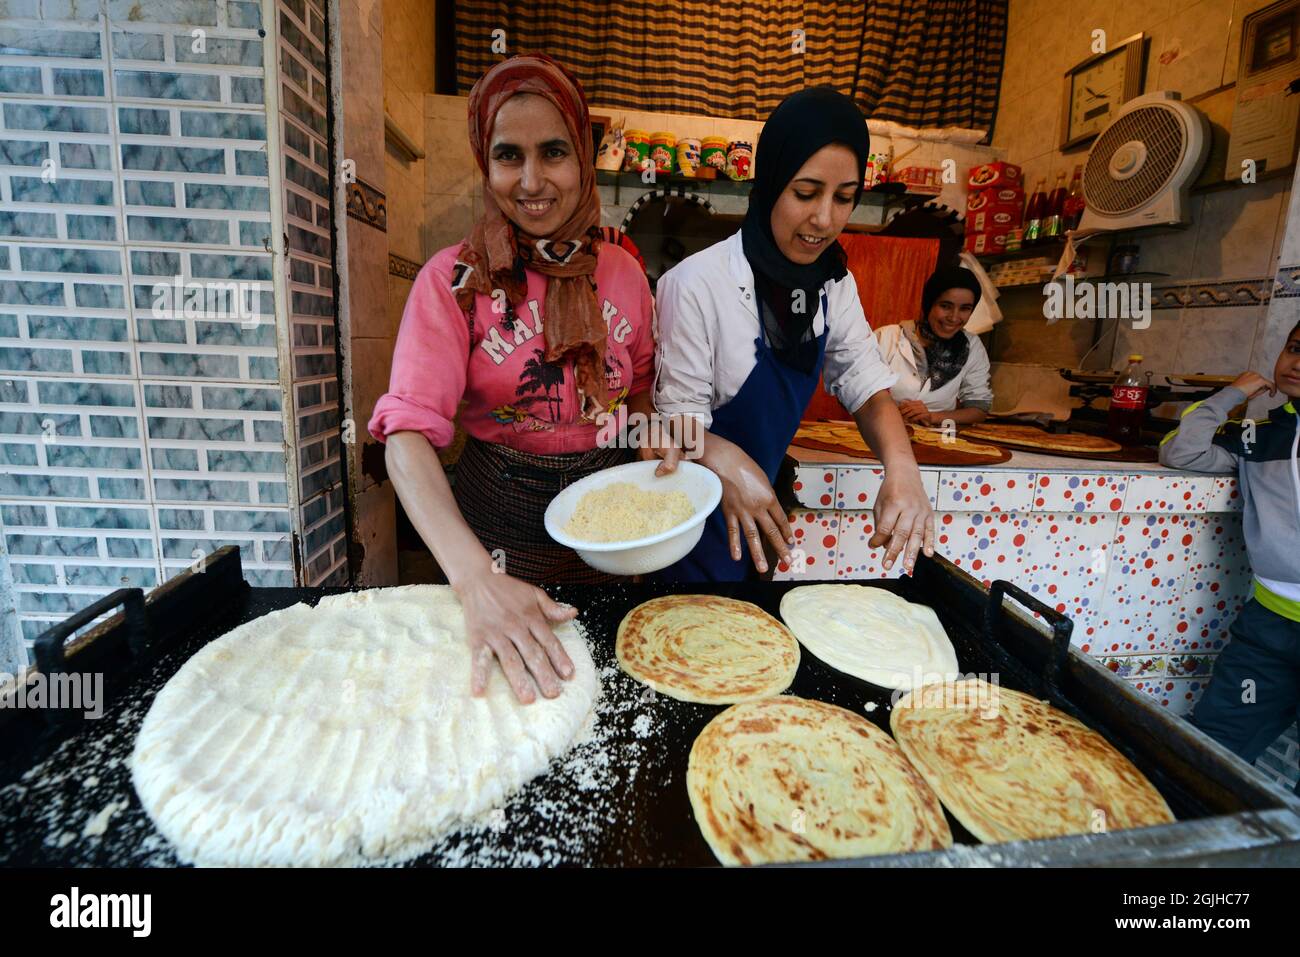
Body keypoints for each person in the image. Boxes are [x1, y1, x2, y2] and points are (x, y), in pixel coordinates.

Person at [367, 55, 655, 704]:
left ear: (584, 157)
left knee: (607, 688)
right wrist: (475, 579)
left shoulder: (624, 275)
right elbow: (407, 431)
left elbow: (638, 389)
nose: (531, 180)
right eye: (508, 155)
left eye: (553, 152)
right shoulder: (454, 281)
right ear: (483, 160)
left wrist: (660, 448)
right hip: (497, 519)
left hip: (610, 515)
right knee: (511, 701)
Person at [648, 87, 934, 582]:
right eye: (805, 193)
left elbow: (867, 390)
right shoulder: (697, 284)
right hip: (687, 516)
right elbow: (677, 426)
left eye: (844, 198)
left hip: (762, 511)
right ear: (772, 181)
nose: (824, 219)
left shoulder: (834, 285)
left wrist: (903, 468)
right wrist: (731, 464)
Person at [1158, 320, 1300, 792]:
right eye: (1295, 349)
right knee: (1212, 752)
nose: (1297, 363)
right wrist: (1226, 397)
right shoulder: (1260, 436)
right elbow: (1183, 452)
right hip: (1269, 632)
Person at [875, 265, 993, 428]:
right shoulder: (886, 337)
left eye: (965, 308)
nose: (954, 317)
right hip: (878, 434)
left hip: (939, 440)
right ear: (929, 303)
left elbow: (979, 409)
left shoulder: (971, 346)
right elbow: (854, 391)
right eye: (945, 306)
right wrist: (892, 411)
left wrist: (933, 417)